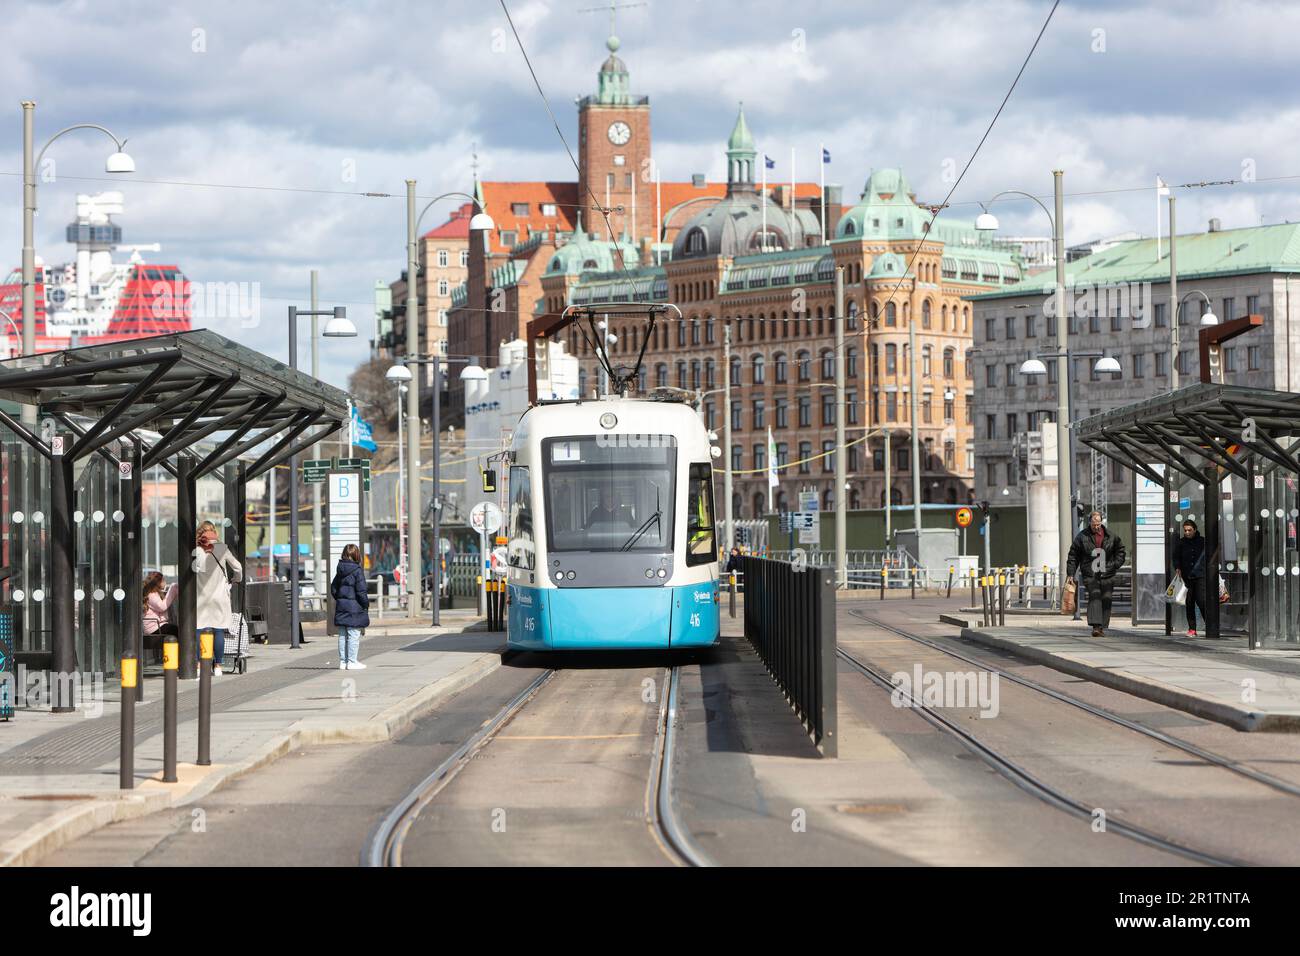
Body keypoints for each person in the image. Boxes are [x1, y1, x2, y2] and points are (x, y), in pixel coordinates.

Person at [1066, 510, 1126, 637]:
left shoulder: (1111, 536)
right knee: (1095, 596)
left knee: (1106, 598)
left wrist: (1115, 564)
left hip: (1107, 572)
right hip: (1090, 573)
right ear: (1090, 523)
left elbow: (1120, 551)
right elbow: (1073, 556)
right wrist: (1071, 573)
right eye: (1094, 524)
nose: (1096, 527)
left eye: (1098, 524)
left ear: (1101, 522)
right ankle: (1096, 627)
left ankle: (1102, 626)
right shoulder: (1082, 537)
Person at [195, 522, 242, 676]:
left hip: (200, 596)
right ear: (214, 532)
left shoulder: (196, 549)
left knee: (198, 629)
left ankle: (199, 665)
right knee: (218, 629)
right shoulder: (222, 548)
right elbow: (238, 567)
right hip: (219, 597)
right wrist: (236, 579)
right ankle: (218, 666)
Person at [331, 543, 369, 670]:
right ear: (357, 555)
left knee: (342, 635)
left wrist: (341, 600)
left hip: (342, 607)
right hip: (354, 608)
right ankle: (352, 662)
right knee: (353, 634)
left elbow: (333, 588)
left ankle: (343, 662)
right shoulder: (357, 570)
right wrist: (365, 604)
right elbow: (361, 591)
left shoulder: (339, 569)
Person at [1172, 519, 1208, 637]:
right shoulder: (1181, 543)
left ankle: (1209, 624)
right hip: (1187, 576)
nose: (1187, 532)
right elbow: (1176, 557)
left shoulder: (1202, 541)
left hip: (1200, 575)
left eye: (1189, 530)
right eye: (1185, 530)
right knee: (1189, 602)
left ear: (1195, 530)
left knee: (1201, 600)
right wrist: (1177, 567)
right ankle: (1192, 629)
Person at [142, 572, 178, 654]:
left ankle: (174, 656)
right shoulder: (151, 595)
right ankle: (176, 657)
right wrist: (172, 590)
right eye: (163, 580)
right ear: (158, 582)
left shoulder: (155, 593)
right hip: (154, 627)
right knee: (176, 630)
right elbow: (162, 607)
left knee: (174, 629)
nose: (165, 582)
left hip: (157, 625)